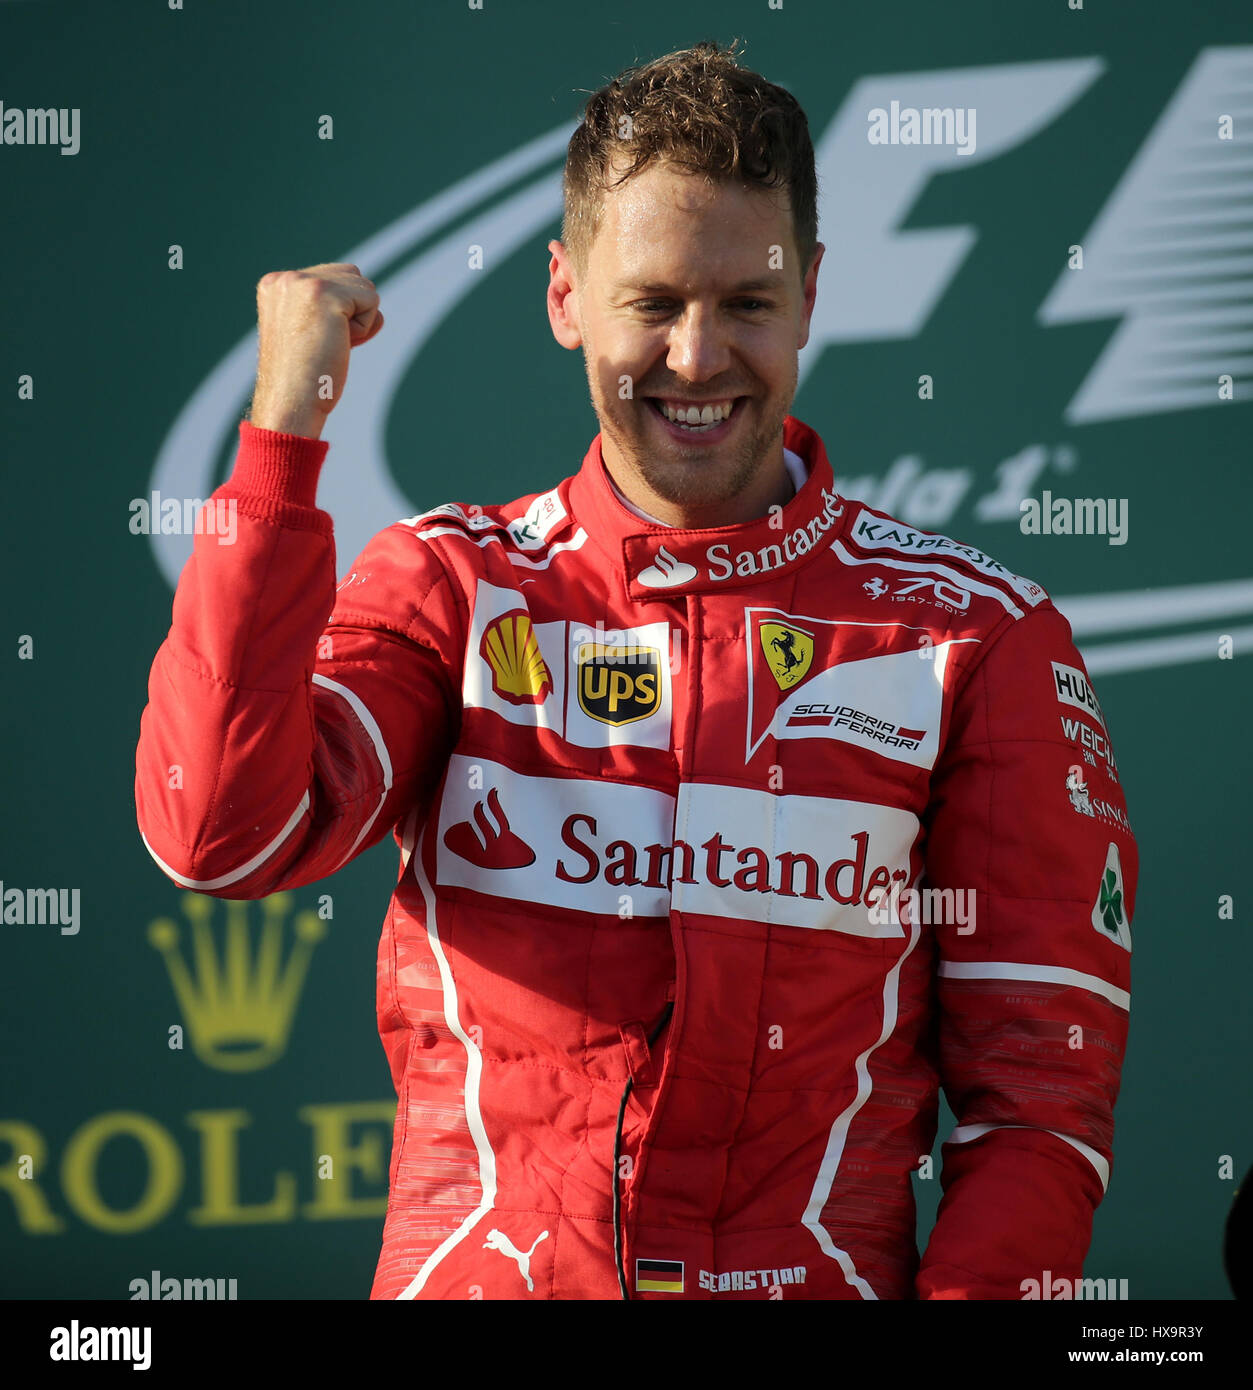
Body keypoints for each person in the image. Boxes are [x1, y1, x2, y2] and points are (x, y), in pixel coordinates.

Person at [135, 40, 1136, 1300]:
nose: (698, 356)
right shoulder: (454, 584)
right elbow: (220, 834)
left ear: (813, 296)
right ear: (565, 298)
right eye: (652, 303)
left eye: (748, 304)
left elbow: (1037, 1111)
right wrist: (283, 433)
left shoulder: (972, 635)